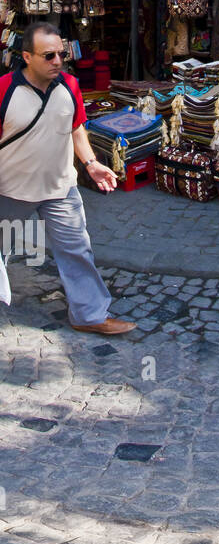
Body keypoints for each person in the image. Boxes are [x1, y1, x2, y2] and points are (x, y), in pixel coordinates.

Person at [0, 23, 130, 334]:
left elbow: (76, 129)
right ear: (27, 57)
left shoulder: (70, 85)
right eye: (49, 55)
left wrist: (91, 164)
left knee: (77, 249)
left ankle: (90, 315)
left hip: (60, 188)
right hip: (11, 190)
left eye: (62, 53)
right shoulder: (5, 89)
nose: (58, 61)